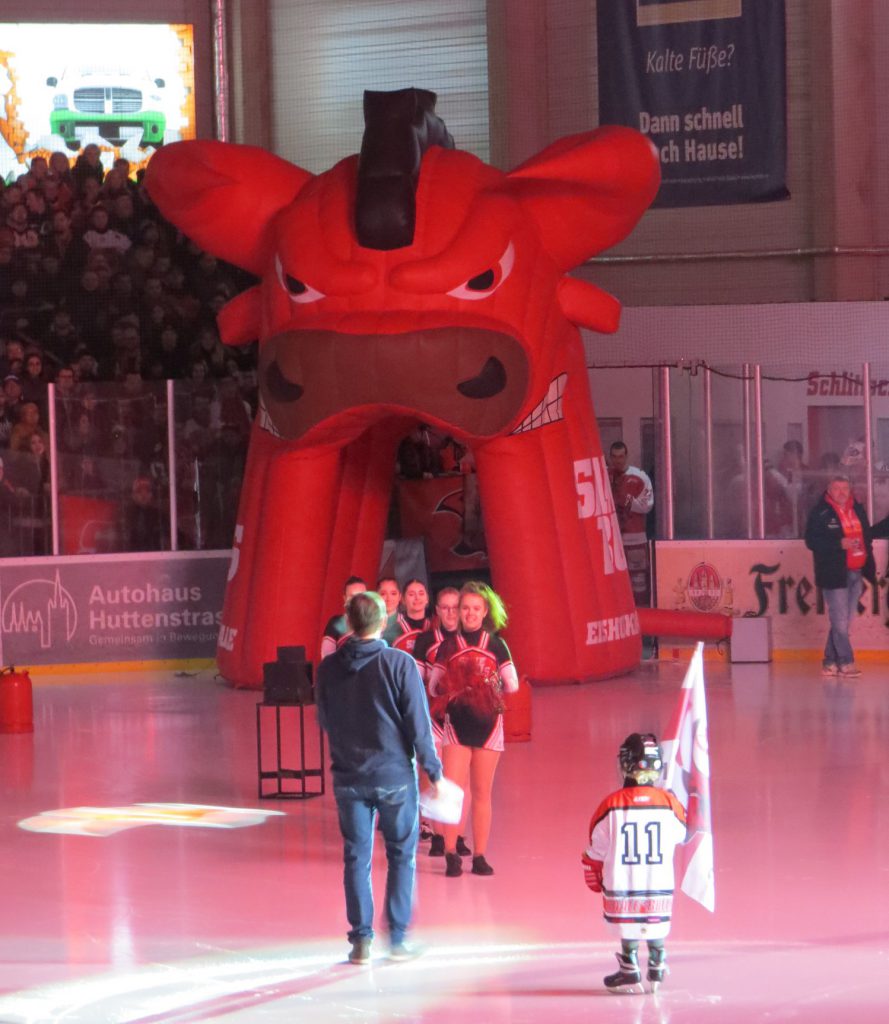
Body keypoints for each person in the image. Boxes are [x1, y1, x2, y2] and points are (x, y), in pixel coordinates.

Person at [315, 591, 446, 965]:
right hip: (394, 776)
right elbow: (419, 725)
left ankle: (360, 942)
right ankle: (398, 938)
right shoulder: (400, 664)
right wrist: (433, 772)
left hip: (348, 777)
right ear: (384, 619)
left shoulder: (327, 669)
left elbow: (324, 719)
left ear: (348, 620)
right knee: (401, 856)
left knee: (356, 858)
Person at [582, 733, 687, 994]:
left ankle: (630, 969)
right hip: (657, 883)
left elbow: (597, 848)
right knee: (655, 922)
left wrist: (593, 871)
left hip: (623, 884)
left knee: (628, 924)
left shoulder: (611, 805)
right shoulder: (669, 803)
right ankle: (657, 965)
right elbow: (681, 834)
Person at [428, 581, 518, 877]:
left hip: (489, 724)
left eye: (476, 608)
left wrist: (486, 686)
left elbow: (513, 684)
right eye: (464, 608)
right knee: (453, 792)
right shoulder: (448, 645)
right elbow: (433, 686)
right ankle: (451, 852)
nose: (469, 613)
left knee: (482, 793)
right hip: (456, 726)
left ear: (486, 612)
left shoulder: (496, 644)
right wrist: (454, 685)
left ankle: (480, 855)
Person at [413, 586, 471, 859]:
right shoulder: (427, 641)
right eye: (444, 607)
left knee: (461, 779)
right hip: (433, 716)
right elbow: (417, 681)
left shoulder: (472, 638)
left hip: (463, 718)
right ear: (437, 611)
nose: (450, 613)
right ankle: (436, 834)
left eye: (454, 607)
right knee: (435, 775)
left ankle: (457, 835)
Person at [805, 473, 875, 678]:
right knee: (841, 620)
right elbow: (811, 541)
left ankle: (829, 662)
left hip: (856, 570)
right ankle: (845, 661)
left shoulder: (858, 510)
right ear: (829, 490)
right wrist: (838, 544)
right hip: (834, 573)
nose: (841, 492)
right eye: (837, 488)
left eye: (845, 488)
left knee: (843, 620)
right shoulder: (821, 513)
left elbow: (866, 537)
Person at [608, 441, 654, 605]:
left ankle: (642, 620)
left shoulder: (640, 476)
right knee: (615, 583)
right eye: (614, 456)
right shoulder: (605, 475)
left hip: (636, 539)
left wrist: (628, 502)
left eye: (621, 456)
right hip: (612, 541)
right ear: (610, 457)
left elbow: (648, 505)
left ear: (626, 456)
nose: (618, 460)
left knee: (639, 582)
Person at [319, 575, 367, 658]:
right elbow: (327, 658)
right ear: (345, 598)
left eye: (361, 596)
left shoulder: (376, 622)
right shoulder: (336, 623)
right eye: (352, 597)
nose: (357, 601)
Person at [384, 577, 432, 653]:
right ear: (403, 599)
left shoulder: (434, 626)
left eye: (421, 593)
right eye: (411, 594)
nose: (417, 598)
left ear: (427, 599)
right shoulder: (393, 628)